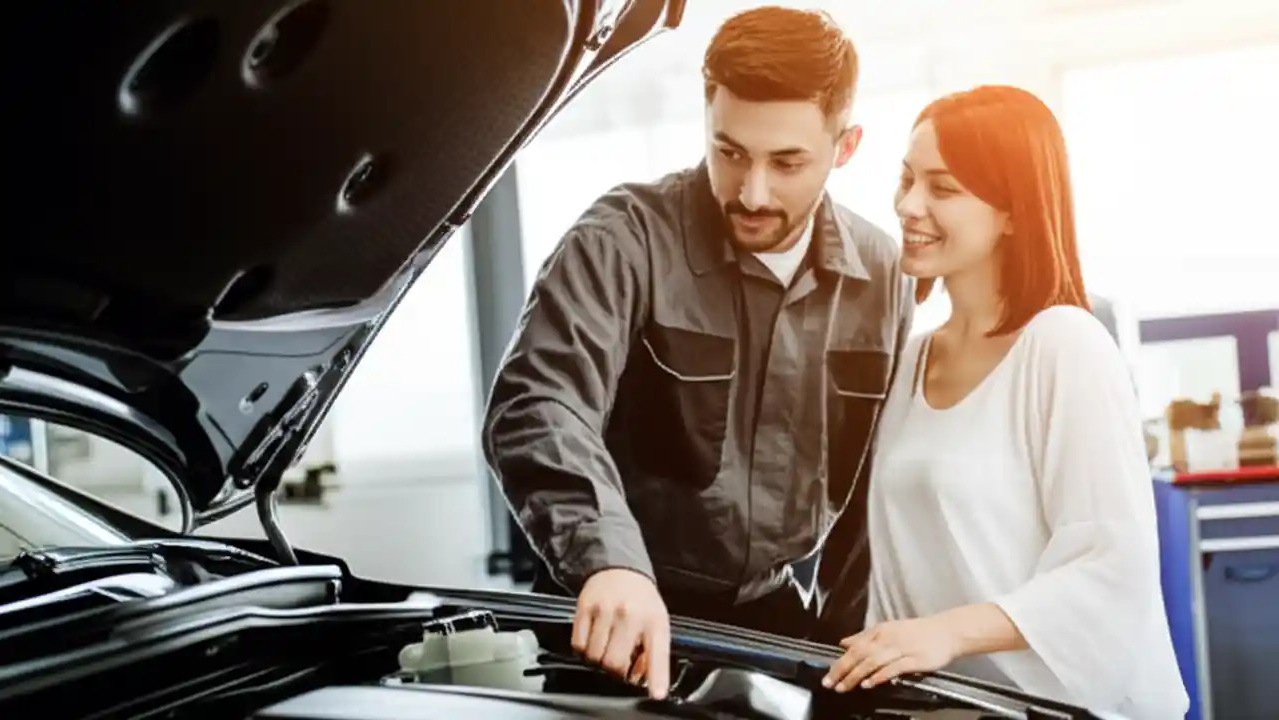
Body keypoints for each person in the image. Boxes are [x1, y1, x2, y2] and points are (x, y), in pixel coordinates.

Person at [482, 7, 912, 700]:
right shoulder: (622, 240)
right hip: (612, 611)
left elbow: (869, 491)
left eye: (787, 162)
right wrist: (609, 562)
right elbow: (540, 404)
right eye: (730, 152)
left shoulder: (883, 273)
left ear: (846, 146)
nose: (752, 192)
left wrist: (847, 653)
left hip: (775, 627)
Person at [820, 86, 1188, 719]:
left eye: (942, 188)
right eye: (907, 179)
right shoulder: (912, 358)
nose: (908, 205)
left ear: (1014, 211)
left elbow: (1111, 565)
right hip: (949, 706)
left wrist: (945, 633)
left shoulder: (1064, 344)